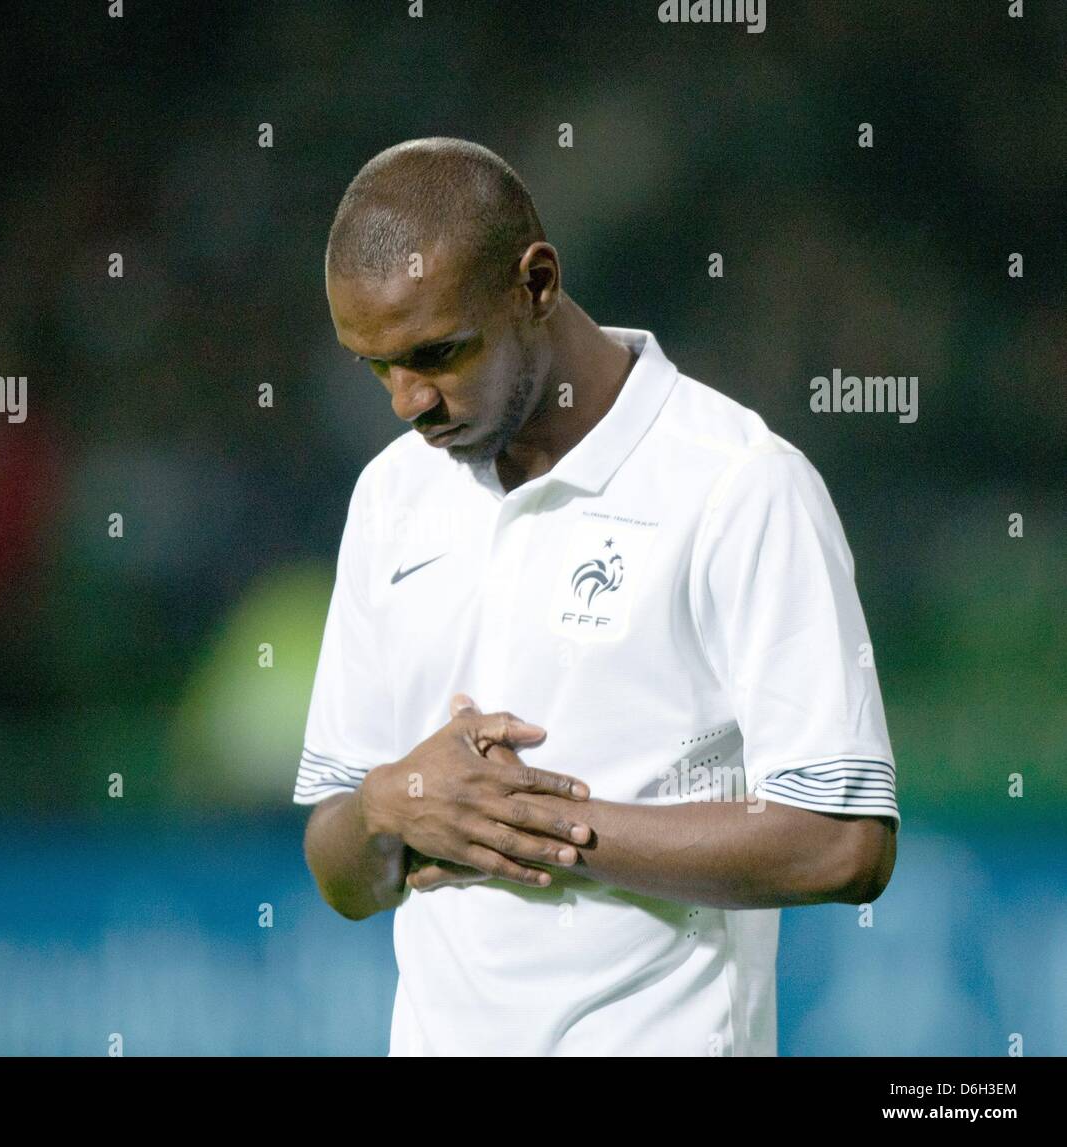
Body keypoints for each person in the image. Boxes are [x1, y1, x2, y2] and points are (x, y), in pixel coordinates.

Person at [292, 137, 898, 1056]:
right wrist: (393, 804)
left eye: (437, 352)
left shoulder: (738, 485)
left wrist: (530, 823)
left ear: (535, 283)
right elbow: (342, 870)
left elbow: (844, 842)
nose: (406, 400)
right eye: (375, 366)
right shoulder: (390, 496)